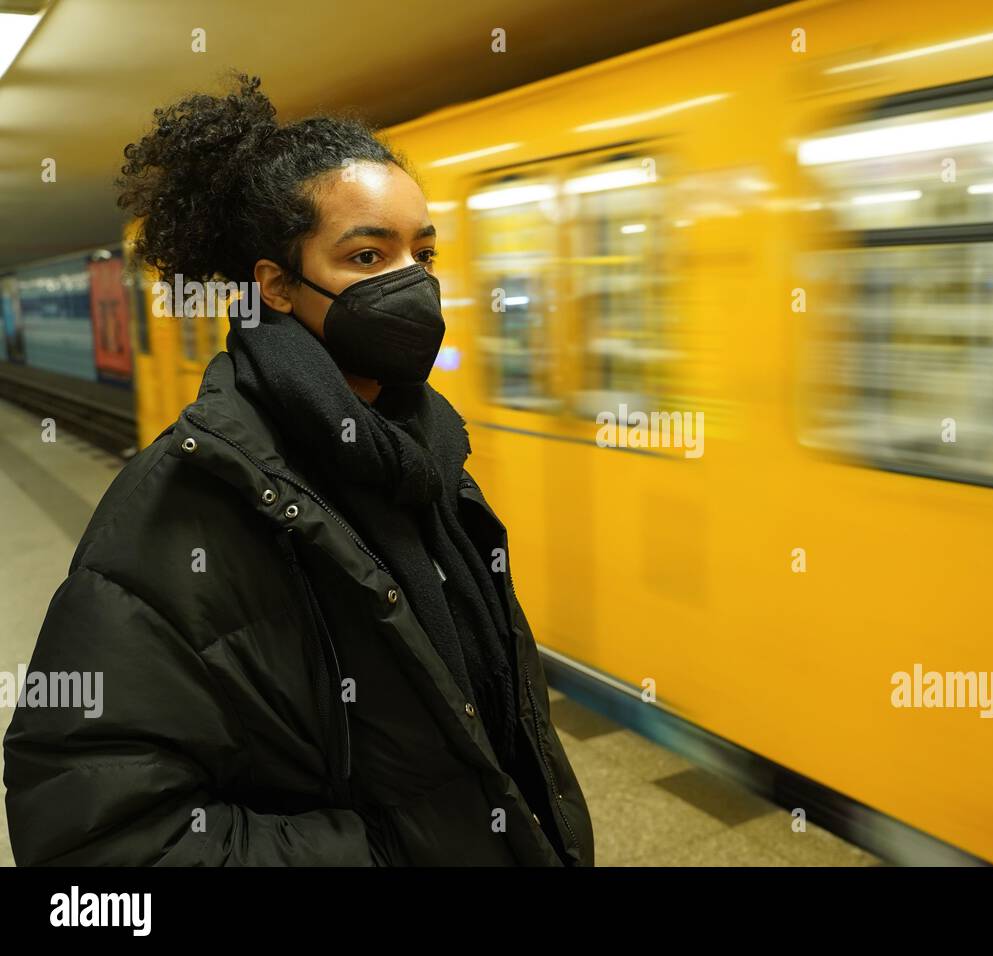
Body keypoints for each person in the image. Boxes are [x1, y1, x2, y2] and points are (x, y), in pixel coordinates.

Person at [2, 73, 594, 866]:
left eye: (423, 252)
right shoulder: (180, 507)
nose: (412, 283)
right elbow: (92, 834)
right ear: (275, 286)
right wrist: (394, 853)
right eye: (367, 254)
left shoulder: (430, 460)